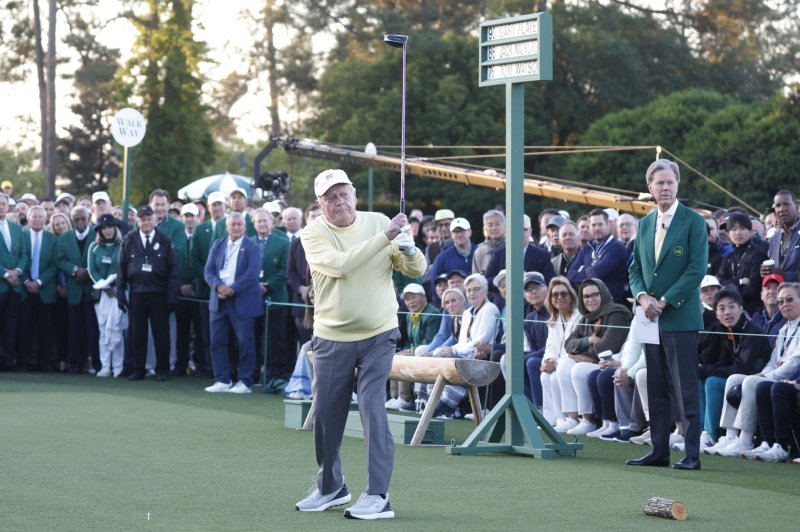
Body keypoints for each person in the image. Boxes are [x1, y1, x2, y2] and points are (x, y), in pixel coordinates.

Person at [295, 169, 426, 519]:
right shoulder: (313, 232)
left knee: (372, 405)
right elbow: (342, 266)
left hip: (379, 333)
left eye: (343, 194)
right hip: (331, 336)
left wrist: (410, 251)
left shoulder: (379, 220)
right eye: (330, 198)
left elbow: (415, 270)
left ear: (354, 194)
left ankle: (378, 495)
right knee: (325, 414)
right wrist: (386, 236)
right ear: (319, 204)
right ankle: (331, 487)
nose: (338, 202)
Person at [626, 158, 708, 471]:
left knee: (686, 388)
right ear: (650, 187)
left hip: (680, 317)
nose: (665, 187)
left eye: (670, 182)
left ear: (678, 185)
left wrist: (665, 300)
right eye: (659, 183)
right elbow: (635, 268)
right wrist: (643, 296)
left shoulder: (693, 221)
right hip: (650, 317)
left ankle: (691, 455)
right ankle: (659, 450)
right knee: (656, 386)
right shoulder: (645, 223)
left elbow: (696, 268)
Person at [711, 282, 800, 458]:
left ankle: (746, 439)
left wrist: (767, 376)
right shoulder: (784, 329)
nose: (784, 304)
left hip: (789, 378)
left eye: (789, 299)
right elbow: (774, 360)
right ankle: (730, 436)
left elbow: (795, 362)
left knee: (753, 382)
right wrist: (765, 373)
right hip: (777, 374)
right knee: (734, 378)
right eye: (781, 301)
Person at [698, 289, 770, 449]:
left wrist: (706, 370)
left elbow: (741, 368)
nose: (727, 312)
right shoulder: (725, 330)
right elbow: (722, 362)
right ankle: (702, 433)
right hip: (737, 378)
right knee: (701, 379)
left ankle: (712, 435)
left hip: (758, 378)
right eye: (722, 308)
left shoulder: (753, 331)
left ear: (741, 308)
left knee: (712, 381)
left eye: (731, 307)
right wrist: (704, 369)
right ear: (716, 314)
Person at [558, 278, 631, 435]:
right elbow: (568, 343)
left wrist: (581, 354)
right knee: (564, 365)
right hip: (594, 361)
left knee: (578, 369)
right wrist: (588, 340)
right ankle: (573, 418)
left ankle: (589, 420)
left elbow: (606, 347)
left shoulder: (616, 313)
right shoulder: (586, 317)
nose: (590, 300)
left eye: (594, 295)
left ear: (603, 294)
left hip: (611, 362)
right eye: (586, 297)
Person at [203, 212, 265, 394]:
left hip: (242, 300)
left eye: (239, 224)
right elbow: (208, 270)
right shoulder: (218, 244)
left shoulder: (252, 247)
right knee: (217, 341)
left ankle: (245, 382)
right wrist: (218, 286)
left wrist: (232, 289)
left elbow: (252, 273)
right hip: (219, 300)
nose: (236, 227)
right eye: (233, 225)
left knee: (246, 342)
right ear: (227, 227)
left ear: (245, 227)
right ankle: (222, 379)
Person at [117, 205, 179, 382]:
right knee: (138, 333)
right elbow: (121, 268)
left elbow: (174, 269)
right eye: (142, 218)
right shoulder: (129, 239)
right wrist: (120, 293)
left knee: (161, 333)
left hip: (159, 293)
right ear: (138, 221)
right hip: (137, 292)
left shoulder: (165, 240)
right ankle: (138, 369)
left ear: (154, 220)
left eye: (148, 218)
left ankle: (162, 369)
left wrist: (171, 296)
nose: (146, 222)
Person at [431, 273, 500, 419]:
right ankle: (436, 402)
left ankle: (447, 405)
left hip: (483, 352)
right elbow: (463, 340)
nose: (471, 293)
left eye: (476, 289)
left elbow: (480, 341)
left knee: (449, 356)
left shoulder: (490, 308)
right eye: (468, 290)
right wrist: (452, 349)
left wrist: (453, 350)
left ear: (485, 291)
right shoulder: (468, 312)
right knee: (438, 354)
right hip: (468, 351)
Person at [55, 206, 98, 373]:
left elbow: (100, 256)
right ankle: (74, 363)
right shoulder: (65, 238)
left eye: (83, 219)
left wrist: (88, 271)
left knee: (92, 329)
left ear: (89, 219)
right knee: (74, 328)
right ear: (72, 220)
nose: (80, 222)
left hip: (91, 289)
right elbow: (60, 259)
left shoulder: (96, 235)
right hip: (73, 289)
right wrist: (74, 270)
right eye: (76, 219)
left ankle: (95, 362)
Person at [251, 208, 291, 391]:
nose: (262, 224)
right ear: (254, 224)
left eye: (265, 221)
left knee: (276, 339)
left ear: (272, 222)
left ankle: (277, 375)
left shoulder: (283, 243)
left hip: (275, 299)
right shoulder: (249, 243)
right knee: (254, 338)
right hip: (252, 298)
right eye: (258, 222)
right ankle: (256, 373)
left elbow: (285, 270)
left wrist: (267, 286)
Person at [386, 283, 441, 411]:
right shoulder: (409, 315)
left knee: (404, 357)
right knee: (395, 356)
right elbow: (410, 340)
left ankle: (406, 399)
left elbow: (429, 341)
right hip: (416, 349)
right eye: (407, 299)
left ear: (423, 297)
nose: (410, 302)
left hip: (427, 352)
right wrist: (406, 349)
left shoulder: (432, 313)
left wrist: (409, 350)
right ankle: (395, 397)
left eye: (413, 297)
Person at [484, 214, 555, 307]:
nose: (519, 233)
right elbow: (486, 282)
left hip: (533, 307)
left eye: (523, 229)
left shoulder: (542, 255)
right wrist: (504, 281)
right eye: (515, 229)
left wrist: (532, 280)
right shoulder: (498, 255)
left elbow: (550, 280)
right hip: (504, 306)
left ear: (530, 231)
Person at [539, 276, 581, 426]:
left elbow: (575, 347)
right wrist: (548, 361)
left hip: (572, 360)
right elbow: (550, 347)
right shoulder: (554, 320)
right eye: (555, 294)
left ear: (571, 296)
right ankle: (554, 418)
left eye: (564, 294)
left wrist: (555, 363)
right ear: (550, 299)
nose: (559, 297)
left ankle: (570, 418)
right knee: (545, 375)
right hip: (559, 362)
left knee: (556, 376)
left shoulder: (579, 316)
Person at [87, 214, 126, 377]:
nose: (107, 231)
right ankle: (105, 366)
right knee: (103, 329)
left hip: (118, 292)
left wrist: (115, 286)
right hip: (101, 293)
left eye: (110, 227)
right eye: (104, 228)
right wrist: (104, 285)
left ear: (115, 228)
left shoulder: (123, 245)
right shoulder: (94, 247)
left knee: (116, 327)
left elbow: (125, 267)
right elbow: (91, 270)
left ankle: (118, 366)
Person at [568, 208, 628, 303]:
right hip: (588, 303)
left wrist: (583, 269)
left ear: (608, 224)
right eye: (593, 225)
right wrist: (589, 271)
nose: (597, 228)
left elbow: (596, 274)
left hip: (611, 304)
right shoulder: (587, 247)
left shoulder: (617, 247)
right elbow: (571, 274)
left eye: (600, 224)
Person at [716, 212, 768, 315]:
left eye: (742, 228)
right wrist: (739, 282)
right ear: (728, 233)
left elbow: (753, 290)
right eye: (733, 229)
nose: (738, 233)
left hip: (754, 311)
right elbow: (719, 281)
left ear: (750, 231)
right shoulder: (729, 257)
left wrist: (728, 288)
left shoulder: (758, 254)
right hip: (731, 311)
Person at [287, 203, 322, 347]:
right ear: (306, 220)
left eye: (320, 215)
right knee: (305, 344)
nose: (316, 218)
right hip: (302, 305)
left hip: (326, 305)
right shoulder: (297, 243)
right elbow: (290, 271)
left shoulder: (333, 241)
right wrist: (301, 288)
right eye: (313, 216)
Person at [0, 193, 27, 371]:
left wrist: (17, 271)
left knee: (11, 324)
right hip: (2, 283)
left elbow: (24, 254)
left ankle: (8, 361)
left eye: (3, 204)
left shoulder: (16, 228)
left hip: (15, 286)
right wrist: (5, 274)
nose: (1, 206)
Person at [428, 217, 474, 295]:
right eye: (455, 232)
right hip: (453, 304)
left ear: (469, 232)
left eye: (462, 231)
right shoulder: (442, 257)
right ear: (451, 234)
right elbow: (434, 286)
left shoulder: (480, 252)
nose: (459, 235)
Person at [762, 190, 800, 282]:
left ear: (797, 207)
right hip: (780, 294)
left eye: (786, 204)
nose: (782, 209)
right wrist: (765, 272)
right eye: (778, 206)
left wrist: (783, 274)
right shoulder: (774, 238)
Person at [750, 273, 785, 347]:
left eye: (776, 288)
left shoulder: (789, 318)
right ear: (761, 294)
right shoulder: (755, 317)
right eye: (768, 288)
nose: (772, 291)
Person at [471, 209, 505, 275]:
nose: (494, 228)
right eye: (490, 225)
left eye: (497, 224)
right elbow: (476, 278)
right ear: (485, 228)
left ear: (504, 226)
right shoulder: (480, 251)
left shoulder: (511, 247)